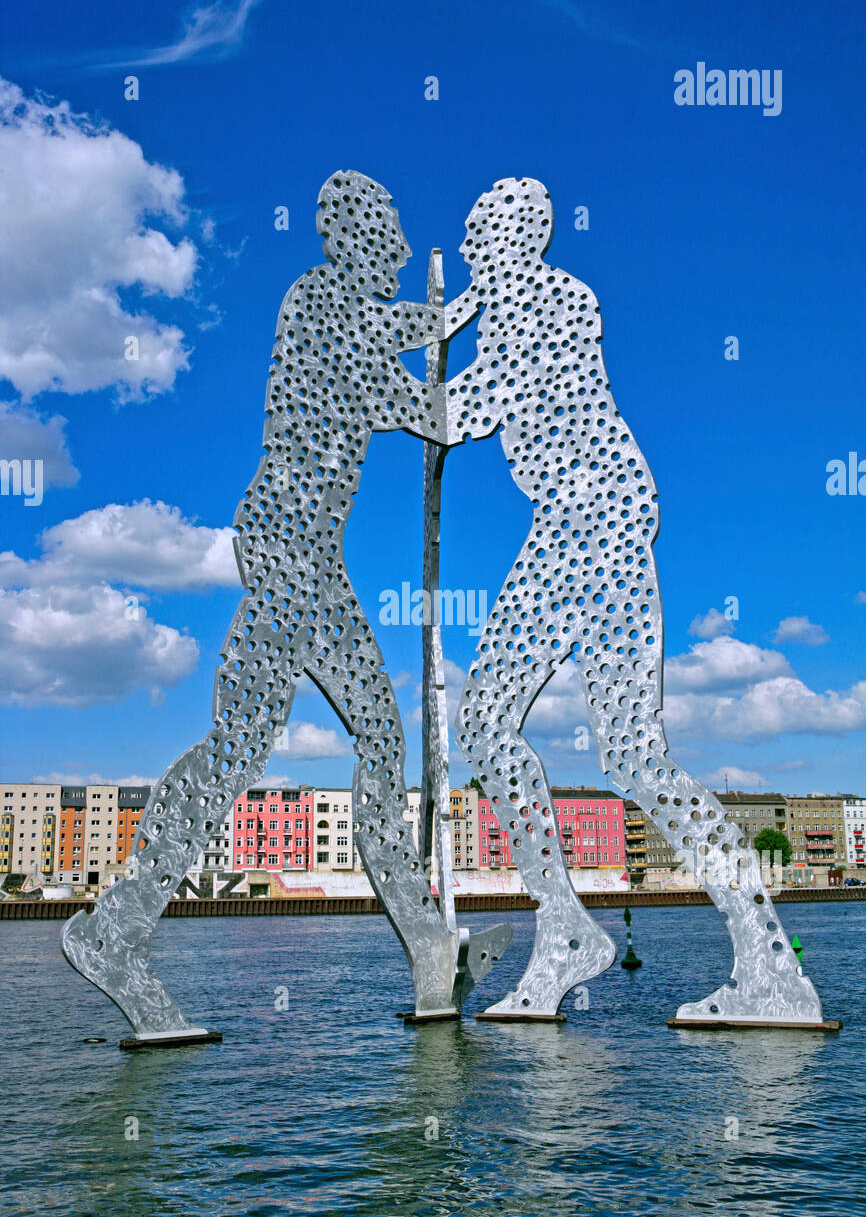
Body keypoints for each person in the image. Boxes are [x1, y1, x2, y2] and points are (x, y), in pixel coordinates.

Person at [62, 171, 508, 1037]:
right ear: (354, 238)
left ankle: (122, 928)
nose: (406, 252)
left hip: (300, 554)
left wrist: (464, 315)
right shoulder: (323, 310)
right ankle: (420, 947)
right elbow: (438, 411)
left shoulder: (340, 313)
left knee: (253, 746)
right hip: (291, 552)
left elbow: (409, 338)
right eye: (392, 234)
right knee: (363, 742)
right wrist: (496, 335)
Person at [445, 176, 822, 1023]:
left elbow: (470, 405)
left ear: (513, 240)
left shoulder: (551, 302)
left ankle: (757, 964)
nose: (468, 253)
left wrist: (371, 394)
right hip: (579, 527)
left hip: (589, 529)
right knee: (579, 746)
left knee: (595, 750)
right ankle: (571, 931)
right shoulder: (512, 302)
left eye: (477, 237)